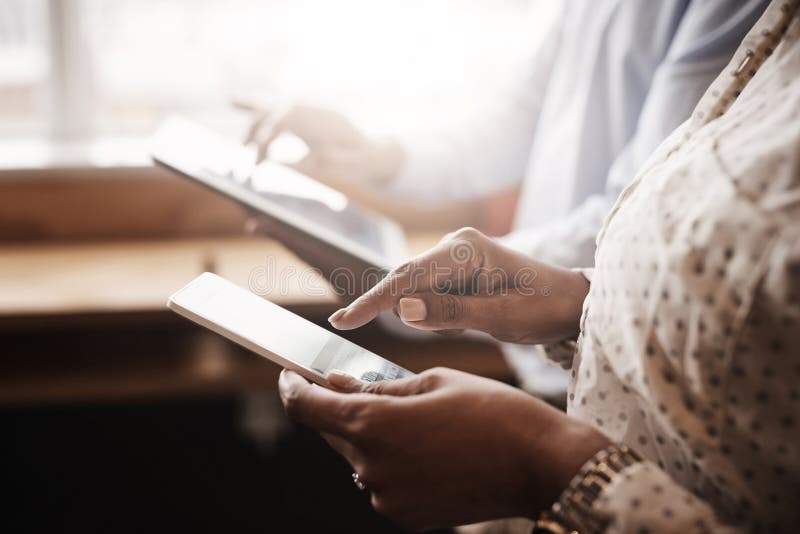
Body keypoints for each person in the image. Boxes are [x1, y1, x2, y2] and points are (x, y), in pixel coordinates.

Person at [277, 1, 800, 531]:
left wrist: (545, 462)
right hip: (583, 392)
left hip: (600, 460)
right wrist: (576, 300)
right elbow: (525, 113)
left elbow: (642, 207)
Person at [243, 0, 769, 398]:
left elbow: (640, 212)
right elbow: (516, 120)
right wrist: (374, 155)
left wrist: (447, 281)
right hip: (543, 347)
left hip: (614, 357)